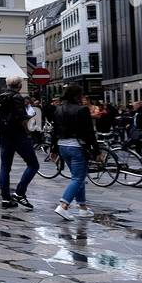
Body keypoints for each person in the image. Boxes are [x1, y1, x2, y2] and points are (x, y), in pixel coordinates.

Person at [51, 84, 96, 221]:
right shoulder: (82, 109)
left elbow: (55, 131)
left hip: (62, 146)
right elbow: (89, 132)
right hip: (77, 146)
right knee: (77, 178)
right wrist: (97, 150)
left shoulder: (58, 109)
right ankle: (64, 206)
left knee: (78, 176)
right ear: (78, 95)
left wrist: (54, 149)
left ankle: (82, 208)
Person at [0, 76, 39, 209]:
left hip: (3, 136)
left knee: (5, 167)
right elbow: (21, 118)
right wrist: (29, 132)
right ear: (19, 85)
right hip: (18, 136)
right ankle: (20, 192)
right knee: (33, 164)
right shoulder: (17, 97)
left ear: (7, 84)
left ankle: (6, 199)